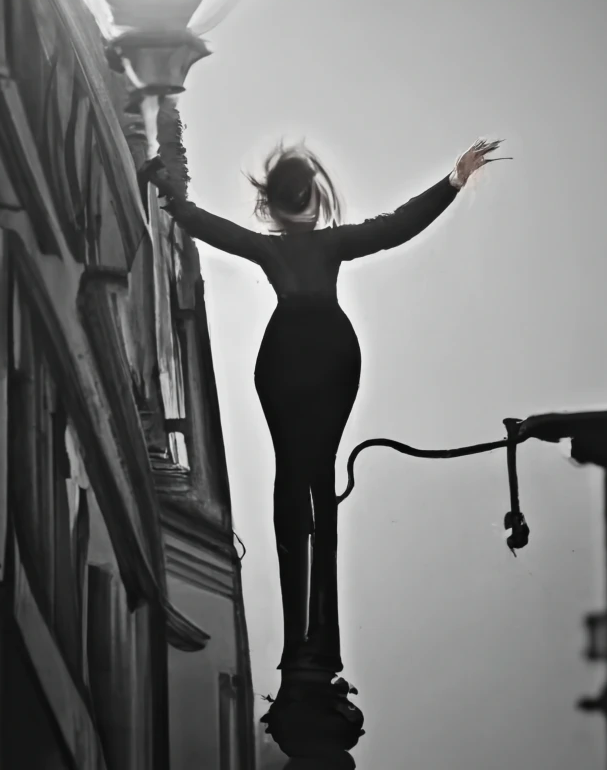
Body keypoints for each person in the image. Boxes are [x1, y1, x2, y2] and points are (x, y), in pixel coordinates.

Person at [143, 138, 508, 684]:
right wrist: (451, 182)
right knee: (308, 479)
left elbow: (391, 226)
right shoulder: (312, 245)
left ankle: (310, 635)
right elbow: (392, 227)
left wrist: (453, 183)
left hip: (299, 354)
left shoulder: (286, 248)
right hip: (318, 354)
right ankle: (313, 635)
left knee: (298, 478)